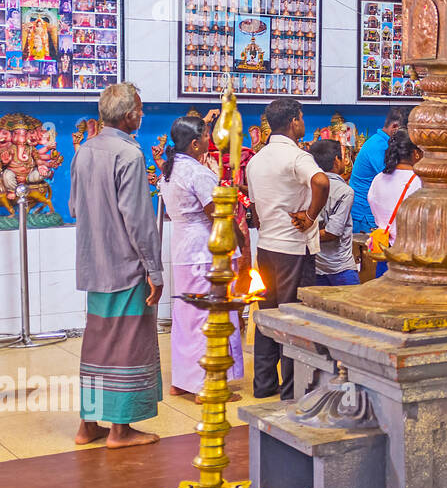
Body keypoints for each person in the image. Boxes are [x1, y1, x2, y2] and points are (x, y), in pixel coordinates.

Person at [68, 83, 164, 449]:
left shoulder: (84, 150)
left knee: (97, 343)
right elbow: (138, 220)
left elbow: (75, 207)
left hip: (94, 264)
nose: (142, 115)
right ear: (129, 116)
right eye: (140, 109)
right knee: (126, 344)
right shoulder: (129, 155)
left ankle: (87, 424)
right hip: (126, 266)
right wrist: (154, 271)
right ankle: (120, 431)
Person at [245, 98, 330, 400]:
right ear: (294, 121)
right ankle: (292, 388)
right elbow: (321, 182)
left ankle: (264, 384)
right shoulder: (296, 156)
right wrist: (309, 216)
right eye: (302, 118)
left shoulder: (256, 160)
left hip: (266, 248)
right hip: (293, 249)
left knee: (267, 315)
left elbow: (253, 212)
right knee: (294, 318)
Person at [157, 115, 246, 399]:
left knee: (186, 317)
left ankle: (183, 380)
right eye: (207, 136)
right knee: (213, 316)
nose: (211, 141)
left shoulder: (169, 172)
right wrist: (239, 239)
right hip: (205, 253)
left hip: (183, 251)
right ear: (196, 144)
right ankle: (209, 384)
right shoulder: (198, 173)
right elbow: (218, 214)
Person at [367, 130, 422, 274]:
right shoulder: (419, 181)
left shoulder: (378, 179)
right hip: (411, 255)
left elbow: (373, 207)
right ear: (416, 153)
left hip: (385, 250)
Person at [351, 106, 409, 235]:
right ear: (394, 127)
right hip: (364, 214)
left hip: (370, 210)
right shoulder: (379, 146)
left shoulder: (382, 142)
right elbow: (392, 176)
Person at [311, 138, 359, 286]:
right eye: (343, 157)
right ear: (336, 161)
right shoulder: (344, 191)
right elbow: (333, 232)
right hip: (340, 267)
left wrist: (306, 235)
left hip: (315, 265)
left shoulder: (308, 186)